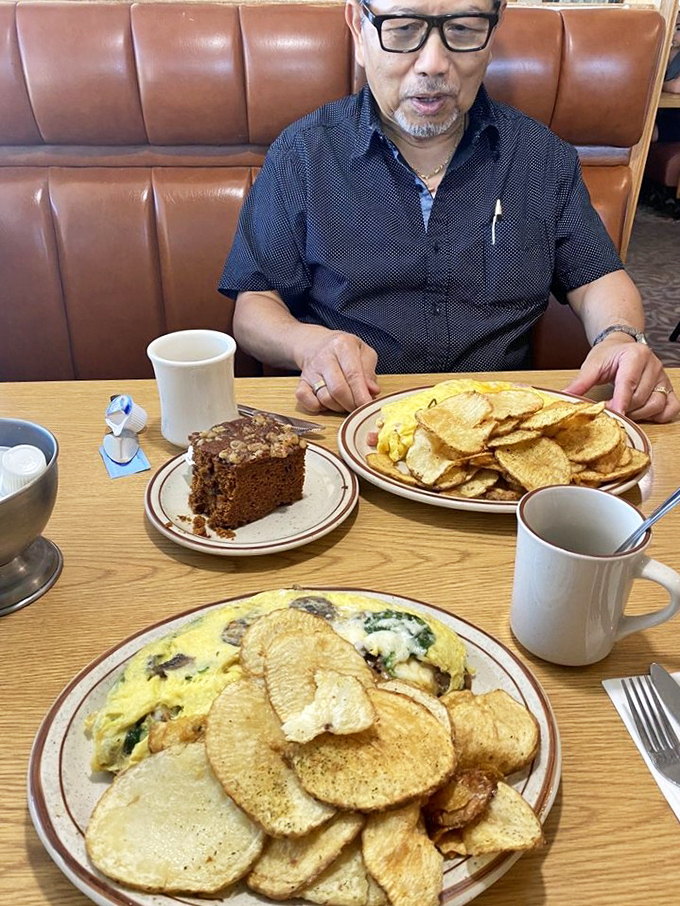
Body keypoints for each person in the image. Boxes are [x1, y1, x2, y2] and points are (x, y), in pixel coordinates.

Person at [219, 0, 678, 423]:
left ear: (492, 35)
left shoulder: (542, 158)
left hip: (498, 430)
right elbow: (254, 306)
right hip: (350, 418)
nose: (434, 63)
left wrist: (619, 337)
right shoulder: (301, 153)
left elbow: (598, 278)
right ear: (358, 30)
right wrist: (308, 344)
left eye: (462, 29)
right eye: (401, 30)